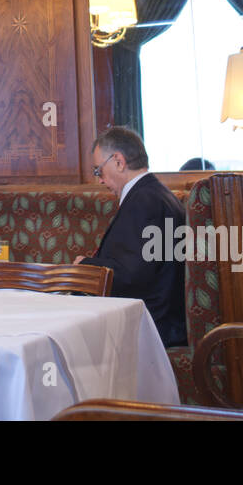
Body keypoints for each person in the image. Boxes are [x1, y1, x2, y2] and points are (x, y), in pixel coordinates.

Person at [74, 126, 188, 346]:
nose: (99, 180)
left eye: (99, 171)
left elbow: (133, 276)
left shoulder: (144, 201)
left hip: (152, 326)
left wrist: (85, 266)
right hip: (162, 319)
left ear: (118, 161)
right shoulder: (159, 195)